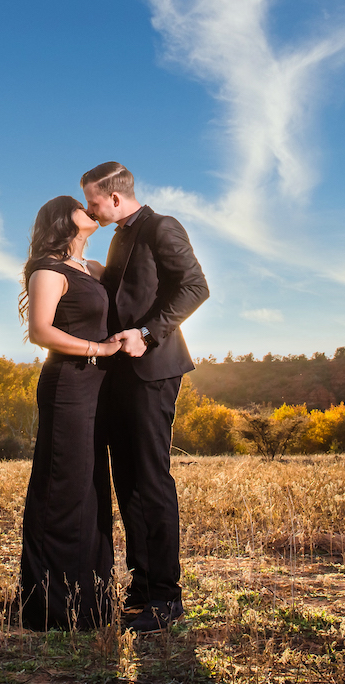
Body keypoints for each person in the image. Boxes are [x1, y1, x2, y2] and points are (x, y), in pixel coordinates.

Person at [81, 161, 209, 634]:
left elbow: (196, 287)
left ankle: (166, 598)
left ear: (115, 198)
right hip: (120, 373)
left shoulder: (161, 226)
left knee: (150, 480)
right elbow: (131, 294)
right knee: (127, 481)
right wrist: (99, 276)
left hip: (153, 370)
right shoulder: (119, 236)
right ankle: (142, 589)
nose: (90, 210)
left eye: (94, 201)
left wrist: (148, 334)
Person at [18, 194, 127, 631]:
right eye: (82, 206)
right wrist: (99, 348)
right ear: (65, 220)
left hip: (97, 387)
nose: (91, 210)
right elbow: (41, 331)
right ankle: (52, 609)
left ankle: (92, 604)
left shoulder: (93, 269)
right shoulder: (48, 269)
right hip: (67, 384)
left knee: (92, 486)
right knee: (63, 486)